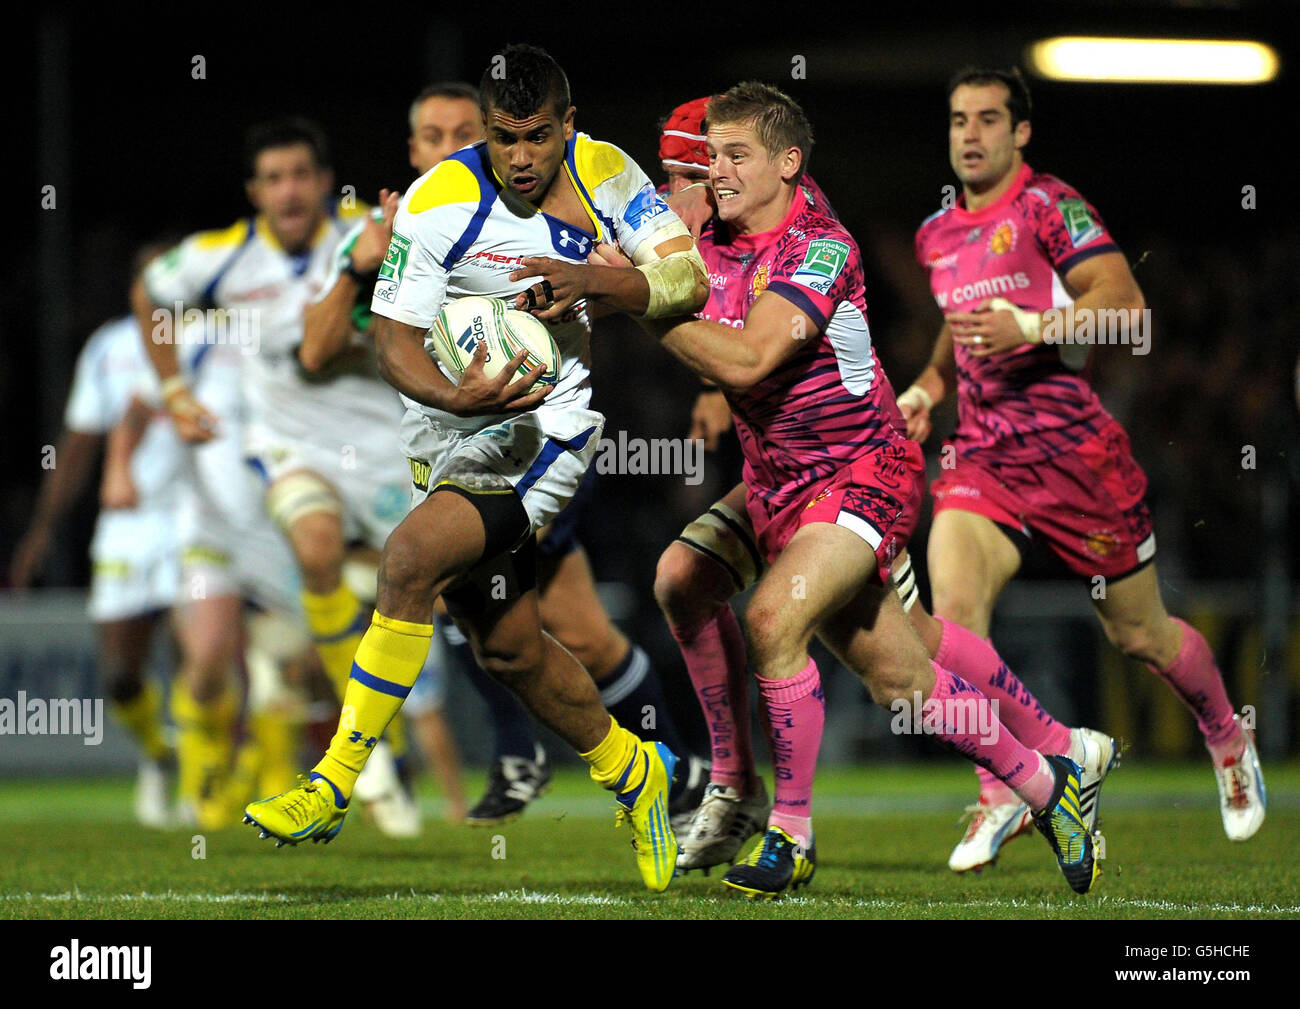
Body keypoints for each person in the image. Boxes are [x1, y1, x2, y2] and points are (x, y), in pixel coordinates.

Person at [608, 81, 1106, 898]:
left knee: (774, 618)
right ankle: (1049, 781)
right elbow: (677, 290)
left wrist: (631, 294)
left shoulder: (821, 244)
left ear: (786, 164)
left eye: (722, 162)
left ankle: (789, 833)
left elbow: (744, 357)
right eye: (709, 162)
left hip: (861, 471)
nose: (698, 184)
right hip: (775, 481)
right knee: (895, 670)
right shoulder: (713, 238)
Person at [243, 44, 709, 892]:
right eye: (505, 139)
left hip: (547, 433)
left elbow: (688, 276)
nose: (522, 157)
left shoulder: (606, 173)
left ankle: (334, 780)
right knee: (512, 652)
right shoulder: (440, 197)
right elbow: (390, 339)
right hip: (451, 435)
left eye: (538, 136)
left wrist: (596, 282)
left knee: (409, 559)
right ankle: (635, 773)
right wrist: (455, 402)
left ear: (568, 125)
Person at [898, 67, 1265, 847]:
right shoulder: (937, 233)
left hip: (1076, 458)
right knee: (954, 618)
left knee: (1141, 637)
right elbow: (954, 326)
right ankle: (1004, 781)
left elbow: (1127, 308)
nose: (970, 134)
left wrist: (1032, 328)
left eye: (989, 119)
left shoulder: (1048, 206)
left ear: (1021, 132)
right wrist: (929, 387)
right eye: (959, 118)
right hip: (983, 459)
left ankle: (1228, 734)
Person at [134, 118, 420, 836]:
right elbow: (149, 292)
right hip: (290, 447)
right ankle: (368, 754)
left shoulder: (370, 232)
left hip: (385, 446)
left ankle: (372, 731)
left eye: (301, 174)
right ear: (255, 192)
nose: (288, 190)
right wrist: (173, 390)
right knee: (315, 548)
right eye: (273, 178)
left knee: (454, 607)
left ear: (324, 182)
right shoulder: (223, 257)